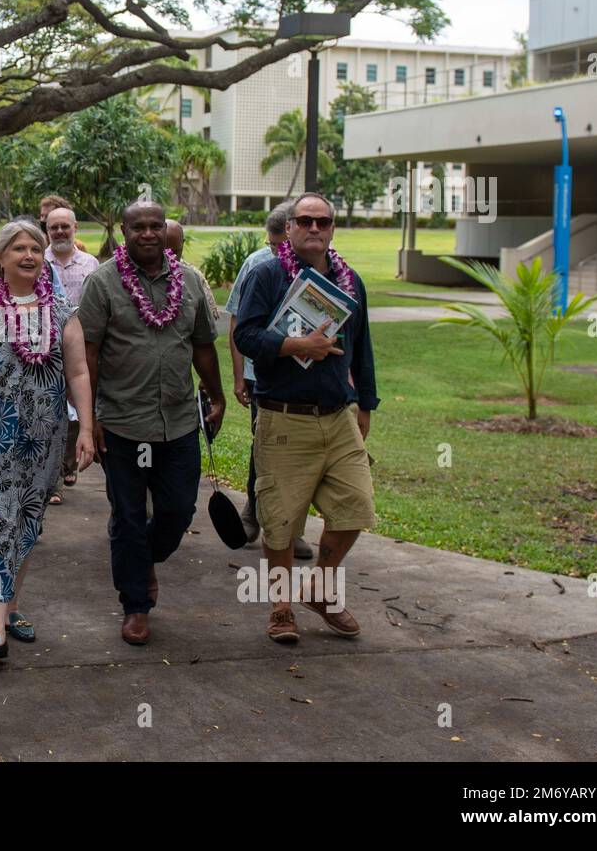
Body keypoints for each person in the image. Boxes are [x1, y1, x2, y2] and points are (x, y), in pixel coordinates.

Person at [0, 220, 95, 661]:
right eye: (19, 248)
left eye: (35, 248)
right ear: (0, 258)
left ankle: (11, 608)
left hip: (41, 441)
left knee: (25, 523)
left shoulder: (61, 312)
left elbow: (78, 372)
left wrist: (84, 428)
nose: (28, 255)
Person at [77, 200, 226, 646]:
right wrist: (90, 417)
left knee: (178, 511)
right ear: (124, 231)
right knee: (126, 515)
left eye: (155, 226)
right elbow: (87, 354)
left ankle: (144, 561)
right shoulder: (102, 283)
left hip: (179, 420)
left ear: (167, 230)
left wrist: (216, 394)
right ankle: (136, 605)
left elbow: (202, 345)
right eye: (137, 226)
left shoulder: (192, 281)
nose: (147, 233)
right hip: (121, 421)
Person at [232, 192, 378, 645]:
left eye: (324, 222)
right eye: (306, 221)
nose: (315, 229)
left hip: (338, 416)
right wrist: (298, 346)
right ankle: (280, 606)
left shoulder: (349, 279)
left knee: (357, 506)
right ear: (290, 227)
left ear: (332, 228)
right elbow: (246, 335)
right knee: (279, 519)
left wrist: (366, 404)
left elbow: (363, 345)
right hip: (284, 418)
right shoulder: (268, 274)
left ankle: (319, 585)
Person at [223, 204, 308, 555]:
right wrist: (240, 375)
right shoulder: (257, 265)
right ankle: (254, 513)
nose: (277, 252)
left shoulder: (321, 266)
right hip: (263, 378)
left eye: (280, 245)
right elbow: (236, 324)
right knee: (267, 446)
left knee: (302, 453)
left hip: (308, 377)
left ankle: (292, 527)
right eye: (272, 245)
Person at [43, 205, 99, 505]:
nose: (60, 232)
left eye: (65, 226)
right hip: (46, 350)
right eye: (54, 227)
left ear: (75, 227)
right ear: (47, 230)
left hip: (82, 348)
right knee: (52, 413)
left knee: (77, 406)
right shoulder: (38, 261)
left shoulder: (91, 264)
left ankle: (67, 463)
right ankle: (53, 481)